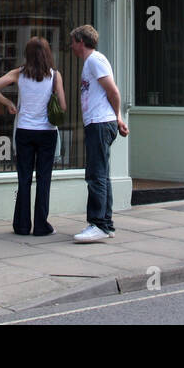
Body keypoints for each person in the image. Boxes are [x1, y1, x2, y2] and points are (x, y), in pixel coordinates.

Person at [0, 37, 66, 236]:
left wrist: (8, 103)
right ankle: (41, 226)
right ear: (48, 54)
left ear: (27, 54)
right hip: (47, 132)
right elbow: (63, 107)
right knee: (44, 178)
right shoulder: (55, 76)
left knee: (24, 178)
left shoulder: (18, 73)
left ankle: (21, 226)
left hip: (24, 131)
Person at [69, 25, 127, 243]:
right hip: (99, 123)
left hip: (100, 123)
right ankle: (106, 224)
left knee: (95, 175)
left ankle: (98, 224)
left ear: (81, 41)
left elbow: (113, 91)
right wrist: (117, 119)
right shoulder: (91, 62)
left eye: (73, 41)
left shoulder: (94, 60)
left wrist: (118, 117)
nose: (71, 46)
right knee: (102, 175)